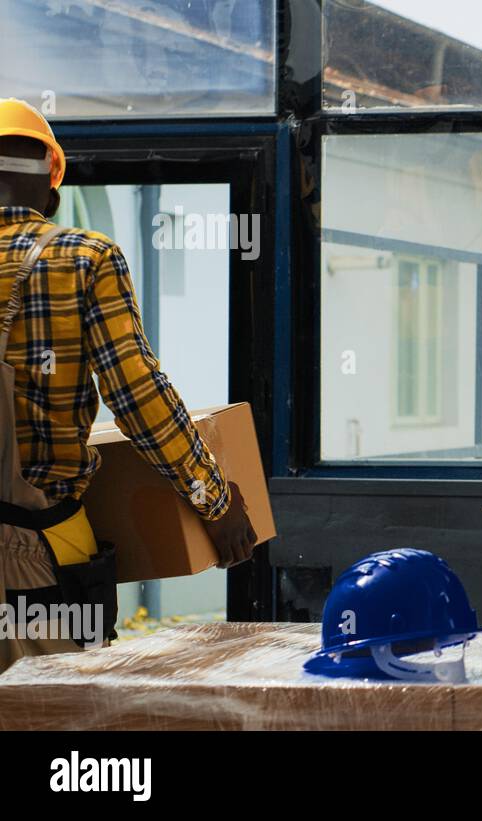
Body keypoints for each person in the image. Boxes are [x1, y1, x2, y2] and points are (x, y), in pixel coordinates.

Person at [0, 99, 256, 672]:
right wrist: (214, 500)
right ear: (50, 187)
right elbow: (138, 397)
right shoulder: (81, 259)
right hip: (34, 556)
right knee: (55, 720)